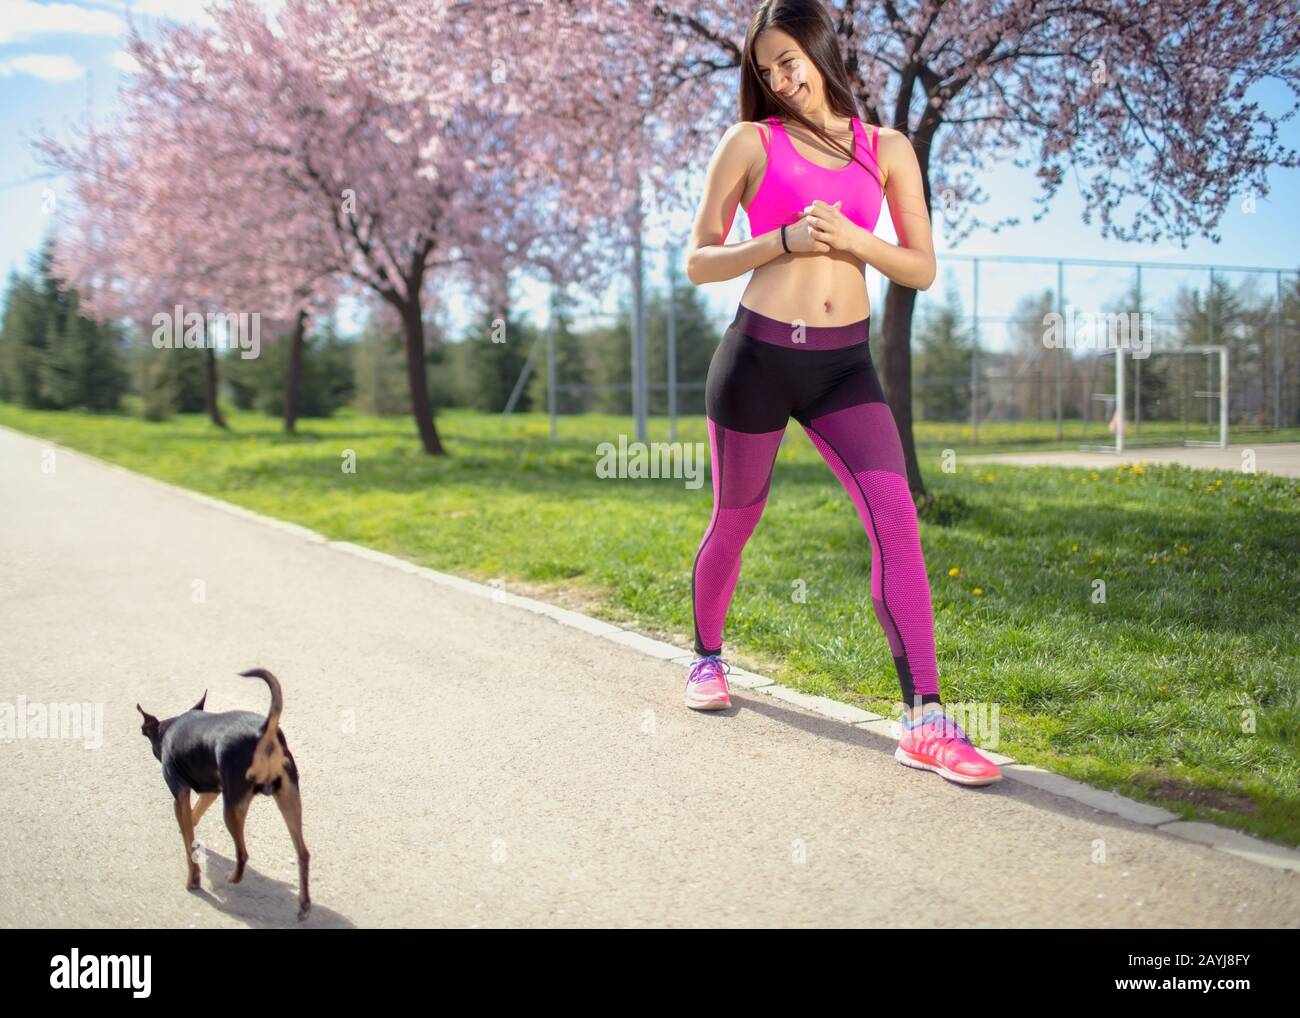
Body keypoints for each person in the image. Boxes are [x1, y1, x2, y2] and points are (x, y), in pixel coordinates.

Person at [681, 0, 1000, 786]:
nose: (781, 78)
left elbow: (919, 266)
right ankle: (708, 657)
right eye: (766, 67)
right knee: (736, 518)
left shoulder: (885, 149)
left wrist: (860, 241)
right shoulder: (750, 142)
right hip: (757, 357)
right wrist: (779, 241)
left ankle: (924, 717)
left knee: (896, 520)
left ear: (823, 50)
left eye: (790, 59)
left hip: (844, 368)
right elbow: (698, 259)